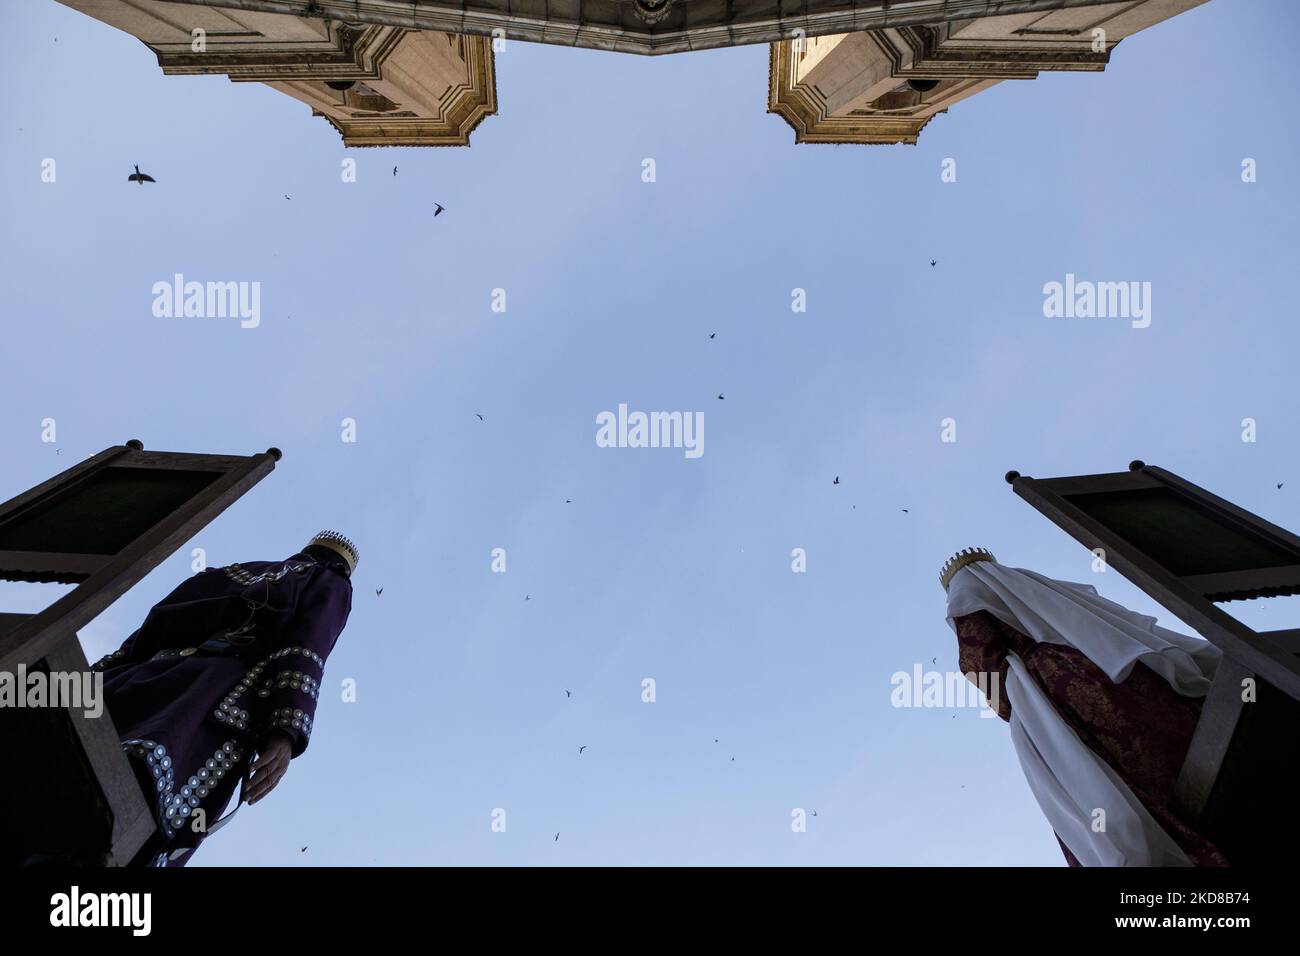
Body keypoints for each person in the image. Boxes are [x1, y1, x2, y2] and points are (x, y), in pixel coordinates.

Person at [941, 548, 1227, 866]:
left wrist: (1011, 706)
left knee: (1095, 776)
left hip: (1056, 685)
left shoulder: (966, 599)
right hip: (1103, 660)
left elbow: (982, 665)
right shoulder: (1032, 586)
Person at [91, 531, 357, 866]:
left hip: (137, 682)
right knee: (139, 823)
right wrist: (286, 732)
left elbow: (154, 623)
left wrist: (103, 674)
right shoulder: (331, 582)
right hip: (204, 705)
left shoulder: (231, 571)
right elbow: (306, 647)